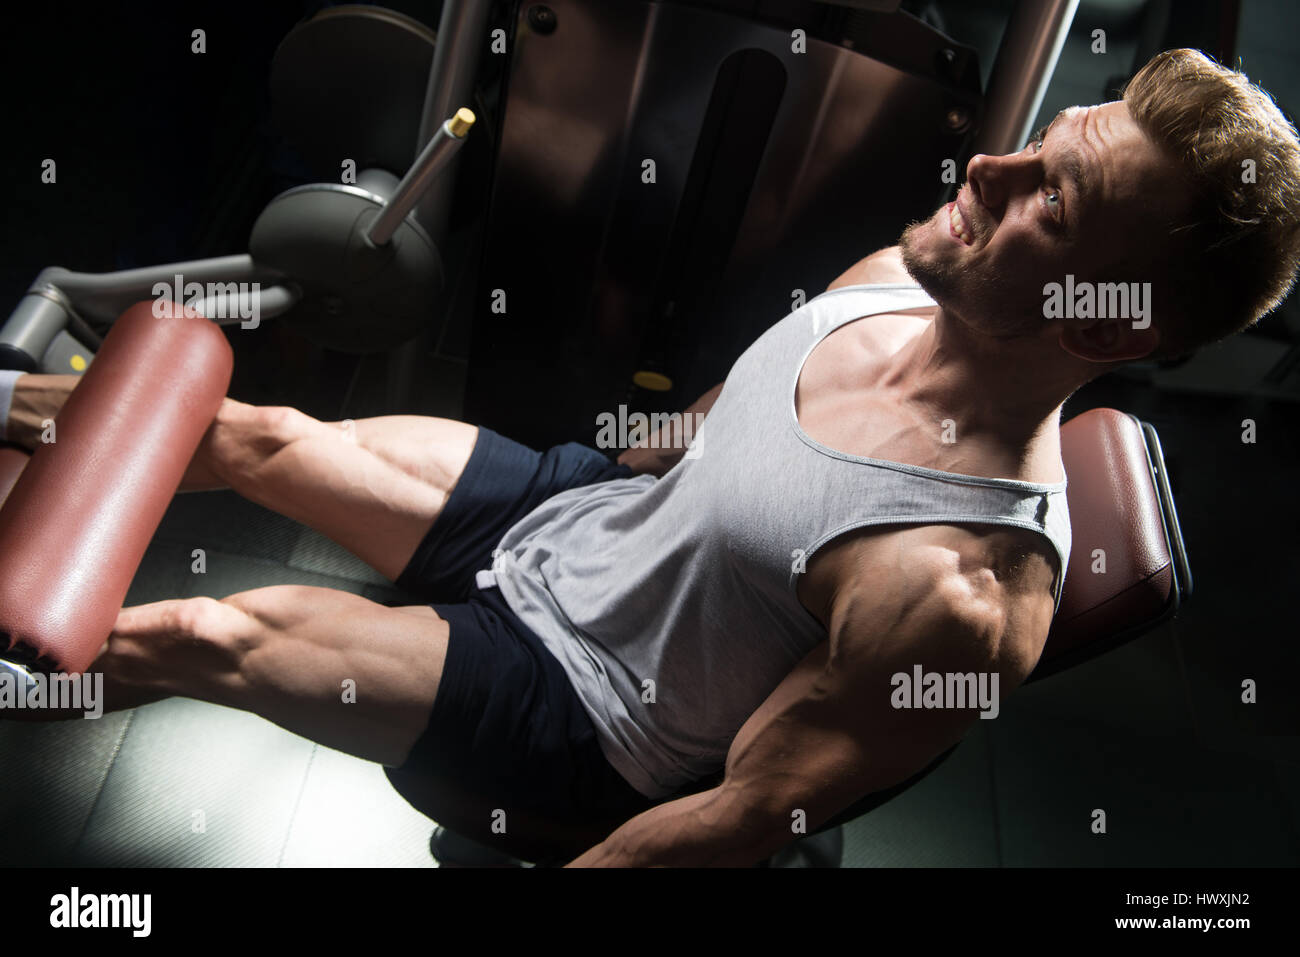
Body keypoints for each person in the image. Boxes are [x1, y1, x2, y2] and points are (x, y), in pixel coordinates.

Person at [3, 48, 1298, 866]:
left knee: (202, 636)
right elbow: (709, 427)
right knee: (251, 434)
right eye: (1041, 138)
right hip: (598, 514)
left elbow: (741, 818)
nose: (990, 166)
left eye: (1052, 202)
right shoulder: (902, 284)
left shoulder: (958, 593)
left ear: (1115, 321)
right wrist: (607, 470)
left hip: (585, 707)